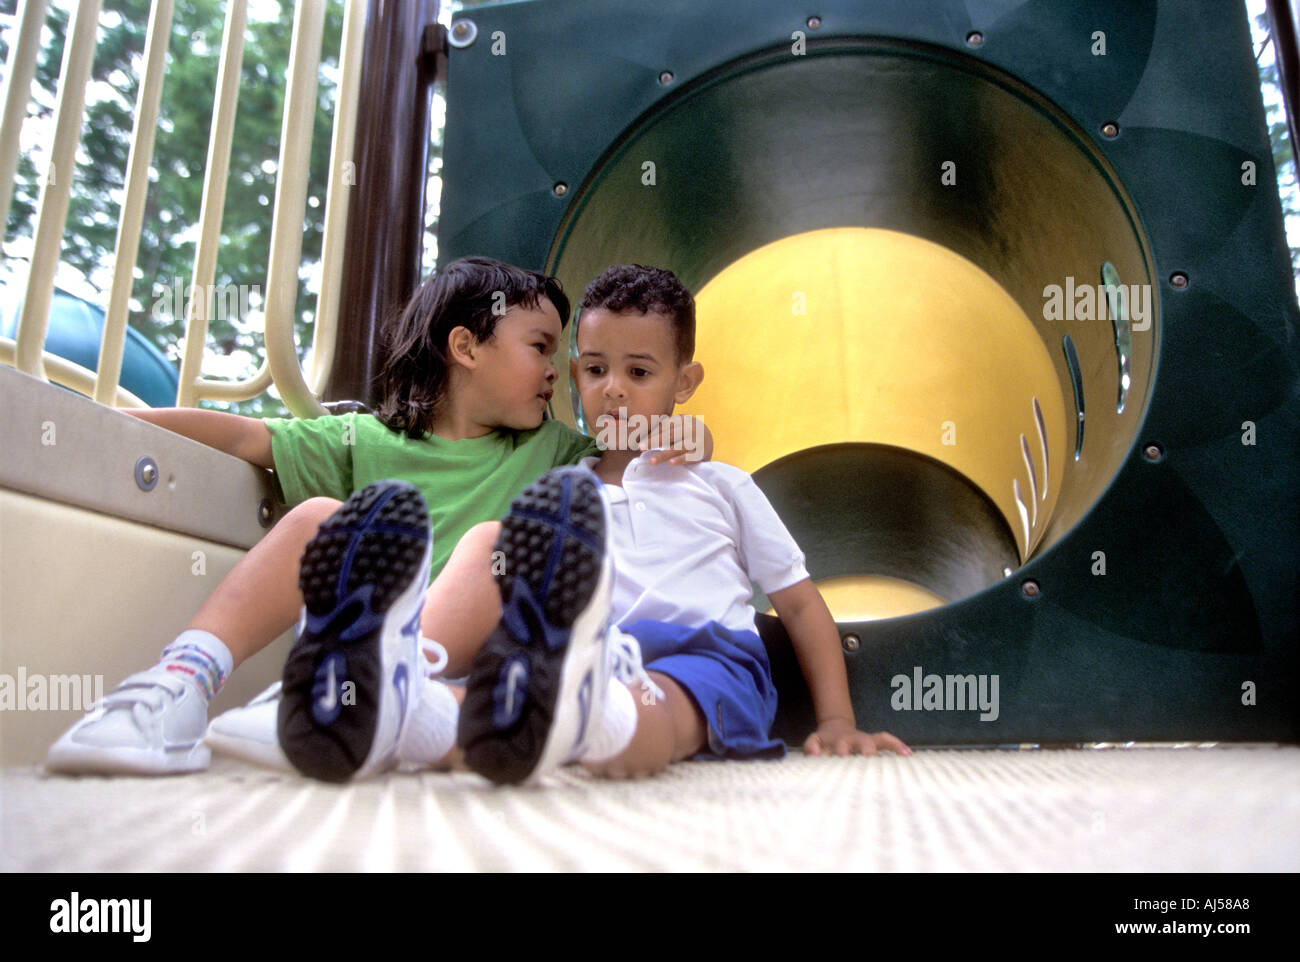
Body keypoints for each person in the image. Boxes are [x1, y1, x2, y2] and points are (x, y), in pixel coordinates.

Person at [45, 257, 706, 777]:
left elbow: (636, 452)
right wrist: (84, 421)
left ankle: (370, 700)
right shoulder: (365, 441)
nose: (556, 375)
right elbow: (246, 436)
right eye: (540, 346)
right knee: (316, 518)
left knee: (497, 541)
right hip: (354, 659)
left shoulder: (557, 450)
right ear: (466, 348)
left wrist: (693, 441)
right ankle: (179, 687)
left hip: (459, 677)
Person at [280, 265, 908, 786]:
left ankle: (574, 722)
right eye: (596, 369)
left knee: (644, 719)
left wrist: (836, 719)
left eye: (639, 372)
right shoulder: (565, 482)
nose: (613, 390)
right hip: (581, 651)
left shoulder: (720, 484)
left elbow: (798, 605)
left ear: (683, 382)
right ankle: (400, 691)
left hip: (704, 659)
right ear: (576, 374)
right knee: (490, 555)